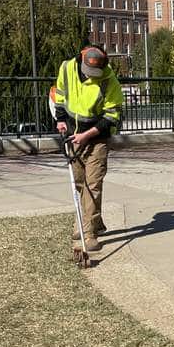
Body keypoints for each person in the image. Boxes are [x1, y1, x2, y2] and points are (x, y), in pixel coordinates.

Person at [52, 45, 123, 251]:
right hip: (72, 135)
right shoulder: (66, 68)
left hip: (97, 136)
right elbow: (60, 95)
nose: (91, 76)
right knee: (79, 183)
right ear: (80, 61)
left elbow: (111, 116)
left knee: (93, 183)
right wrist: (61, 120)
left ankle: (89, 232)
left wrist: (87, 135)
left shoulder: (109, 80)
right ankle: (90, 221)